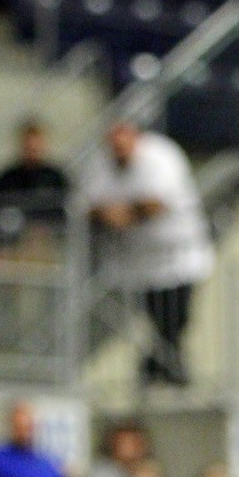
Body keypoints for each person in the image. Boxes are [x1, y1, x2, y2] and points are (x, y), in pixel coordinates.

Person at [79, 121, 213, 386]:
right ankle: (161, 371)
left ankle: (162, 371)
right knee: (156, 322)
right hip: (139, 265)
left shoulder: (162, 156)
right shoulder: (100, 165)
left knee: (176, 321)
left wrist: (124, 214)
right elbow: (85, 204)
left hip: (179, 259)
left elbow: (158, 202)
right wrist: (108, 214)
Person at [0, 118, 70, 259]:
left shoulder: (56, 178)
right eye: (28, 146)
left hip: (47, 243)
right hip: (12, 244)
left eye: (35, 146)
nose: (32, 151)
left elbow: (66, 211)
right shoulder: (6, 179)